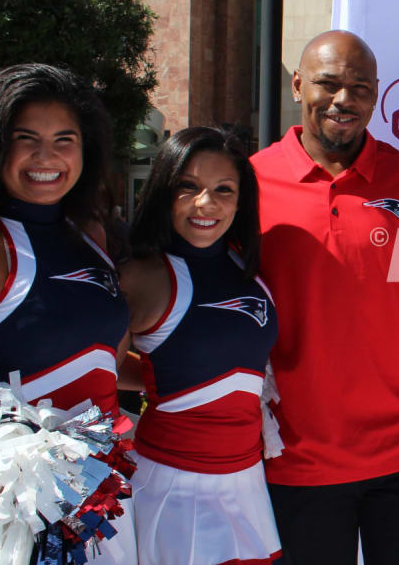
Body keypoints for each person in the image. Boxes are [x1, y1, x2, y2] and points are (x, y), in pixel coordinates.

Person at [252, 30, 399, 565]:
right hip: (292, 456)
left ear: (376, 94)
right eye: (328, 83)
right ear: (297, 85)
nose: (343, 99)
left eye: (359, 87)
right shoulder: (250, 183)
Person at [0, 63, 135, 563]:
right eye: (26, 139)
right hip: (0, 518)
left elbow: (106, 361)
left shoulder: (94, 237)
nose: (47, 156)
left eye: (65, 139)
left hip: (101, 504)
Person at [121, 126, 282, 565]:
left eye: (223, 189)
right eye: (187, 187)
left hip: (247, 479)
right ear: (163, 191)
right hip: (174, 485)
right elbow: (105, 368)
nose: (205, 204)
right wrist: (162, 381)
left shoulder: (242, 260)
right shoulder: (142, 275)